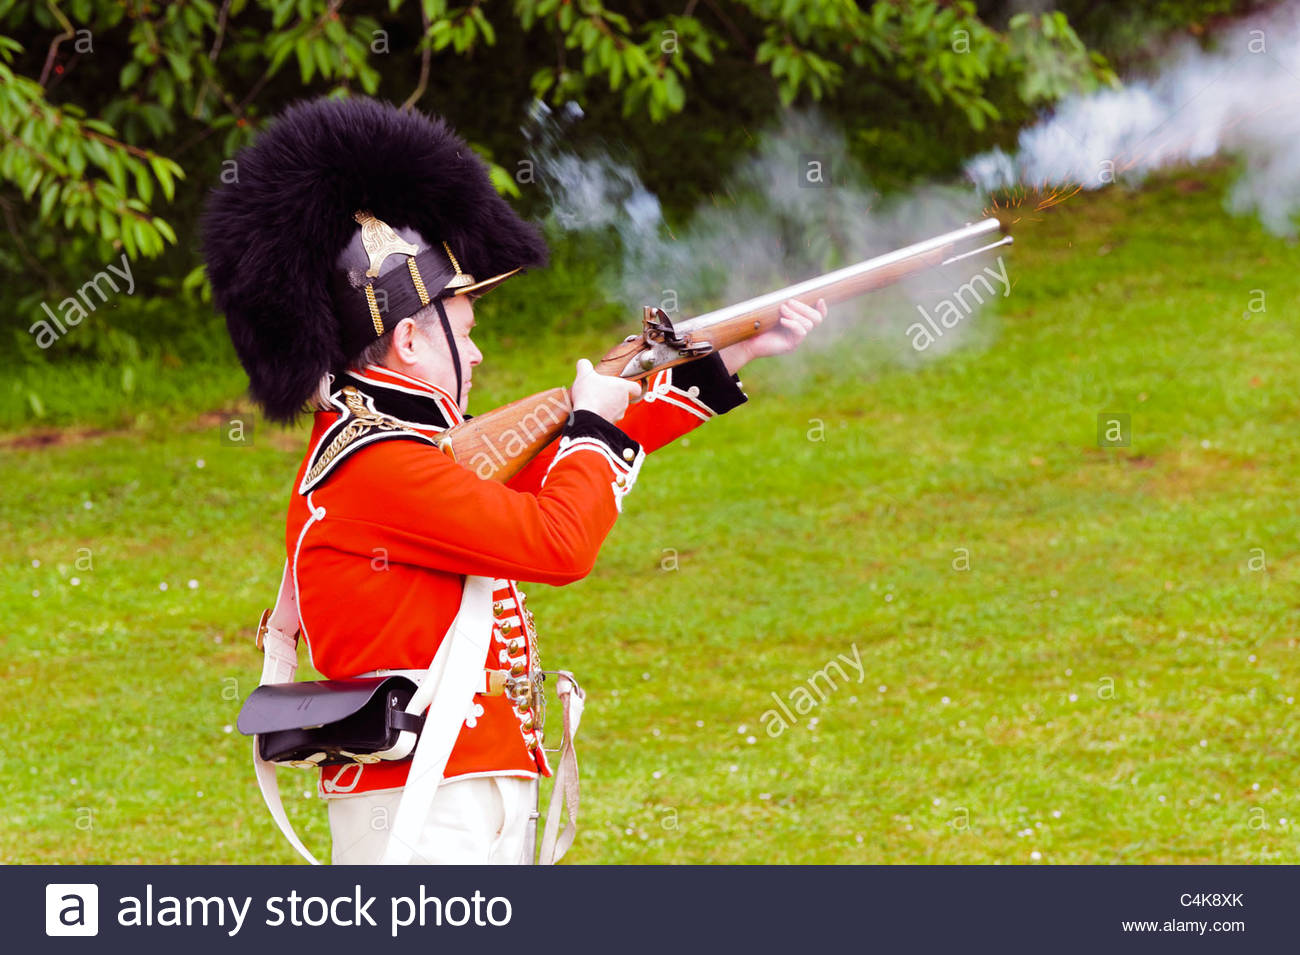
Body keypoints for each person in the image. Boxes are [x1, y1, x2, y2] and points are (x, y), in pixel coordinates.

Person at [204, 96, 825, 864]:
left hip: (465, 793)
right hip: (424, 810)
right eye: (466, 333)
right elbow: (559, 540)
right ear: (407, 338)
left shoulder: (405, 447)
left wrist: (730, 356)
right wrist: (593, 423)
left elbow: (553, 461)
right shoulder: (379, 463)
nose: (482, 354)